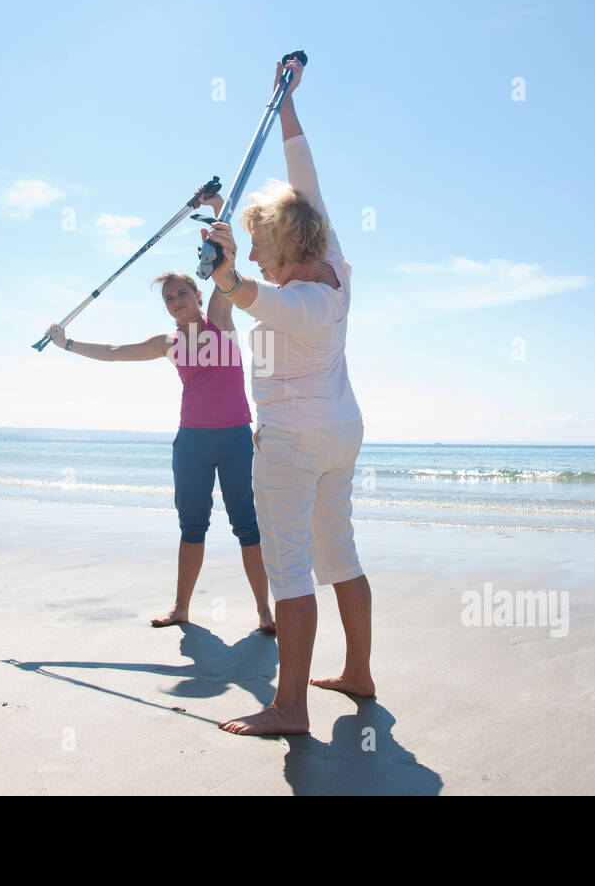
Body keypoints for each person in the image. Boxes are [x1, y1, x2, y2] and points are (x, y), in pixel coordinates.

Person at [202, 55, 374, 736]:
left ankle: (289, 707)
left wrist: (226, 274)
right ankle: (358, 672)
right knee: (343, 556)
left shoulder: (296, 301)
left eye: (258, 244)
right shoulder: (332, 257)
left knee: (292, 571)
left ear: (282, 246)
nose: (254, 251)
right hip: (342, 431)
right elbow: (304, 172)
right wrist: (287, 99)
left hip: (293, 442)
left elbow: (250, 298)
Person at [45, 192, 274, 633]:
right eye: (169, 298)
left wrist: (219, 204)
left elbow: (225, 258)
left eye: (182, 292)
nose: (176, 300)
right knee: (192, 526)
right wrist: (67, 343)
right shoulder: (167, 342)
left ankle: (265, 612)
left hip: (234, 439)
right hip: (191, 442)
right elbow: (114, 352)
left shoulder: (220, 319)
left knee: (247, 526)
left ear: (196, 292)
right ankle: (181, 607)